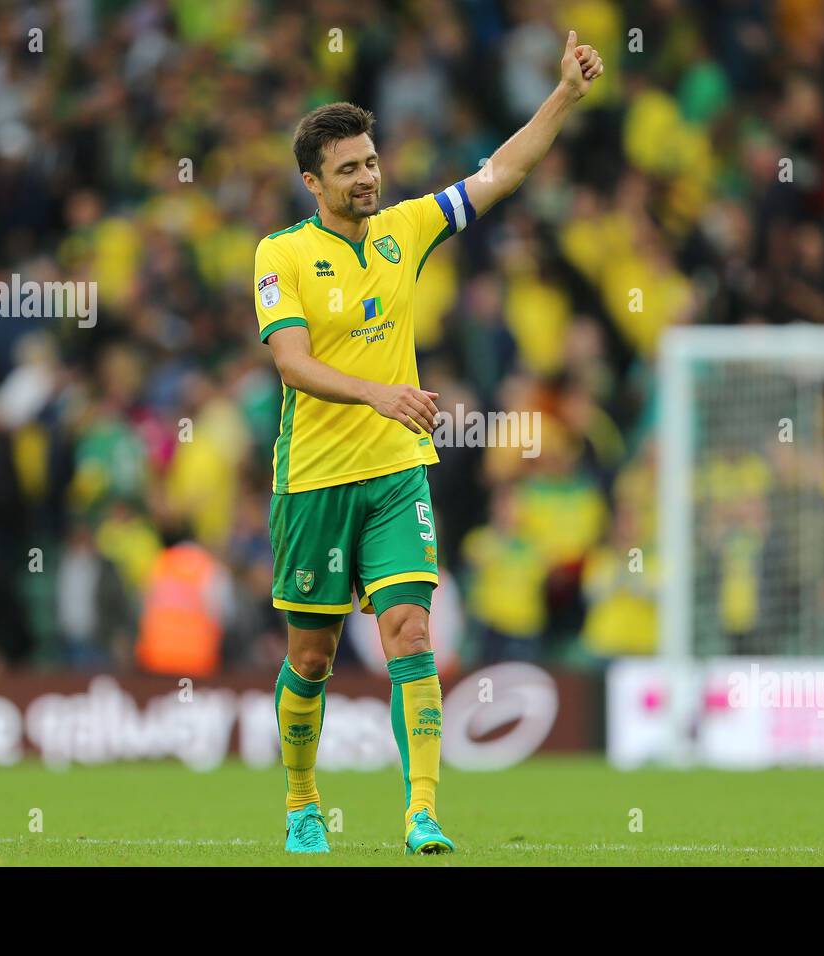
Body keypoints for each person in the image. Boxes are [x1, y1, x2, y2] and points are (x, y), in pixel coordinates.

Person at [253, 32, 604, 854]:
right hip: (312, 480)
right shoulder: (282, 255)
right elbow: (292, 364)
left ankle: (422, 812)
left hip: (395, 474)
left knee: (410, 629)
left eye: (371, 161)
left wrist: (563, 97)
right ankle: (303, 801)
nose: (369, 176)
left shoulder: (405, 230)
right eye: (349, 169)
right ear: (313, 182)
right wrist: (382, 393)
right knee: (311, 658)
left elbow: (500, 173)